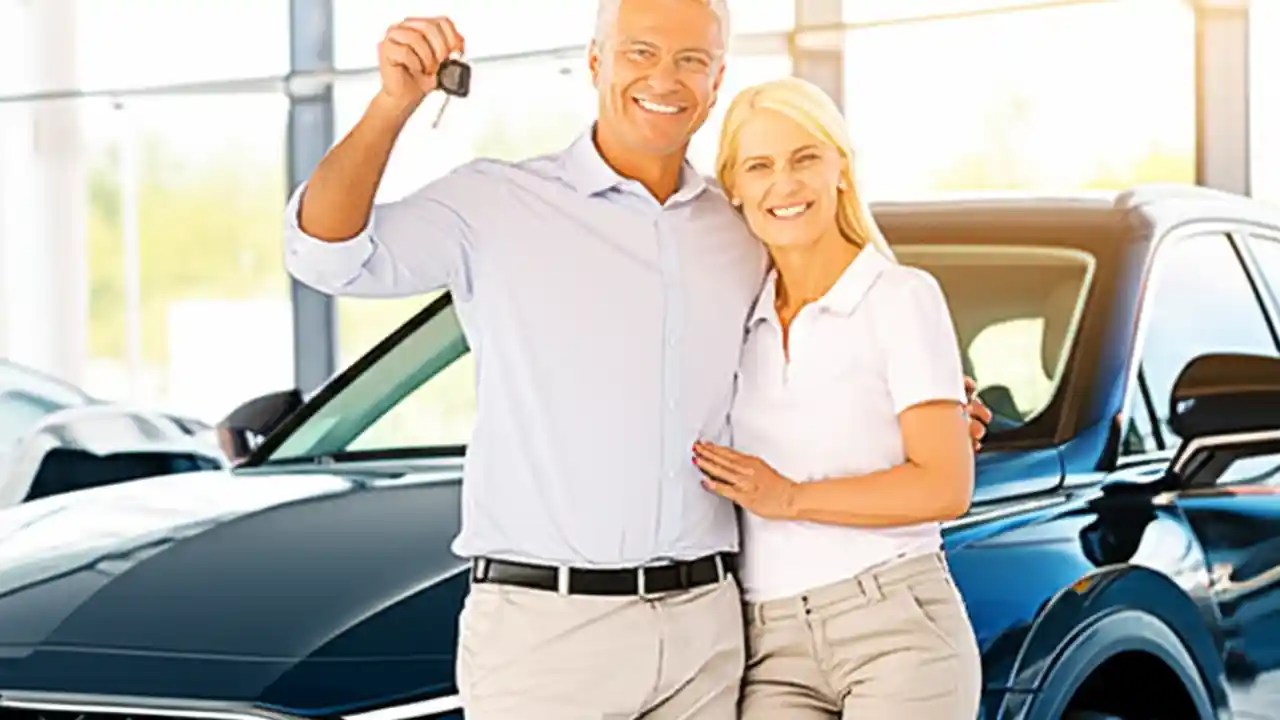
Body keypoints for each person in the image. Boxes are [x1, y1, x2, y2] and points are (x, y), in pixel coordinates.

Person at [282, 1, 989, 717]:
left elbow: (822, 350)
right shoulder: (497, 204)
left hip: (709, 632)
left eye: (691, 60)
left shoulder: (741, 225)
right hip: (546, 633)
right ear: (596, 63)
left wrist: (919, 402)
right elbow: (328, 256)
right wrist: (392, 104)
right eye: (640, 52)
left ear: (715, 82)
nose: (666, 77)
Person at [693, 76, 983, 718]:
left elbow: (944, 488)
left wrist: (789, 498)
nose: (785, 185)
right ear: (733, 189)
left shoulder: (901, 298)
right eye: (759, 166)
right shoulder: (736, 318)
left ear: (841, 171)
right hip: (768, 641)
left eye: (805, 159)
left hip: (895, 628)